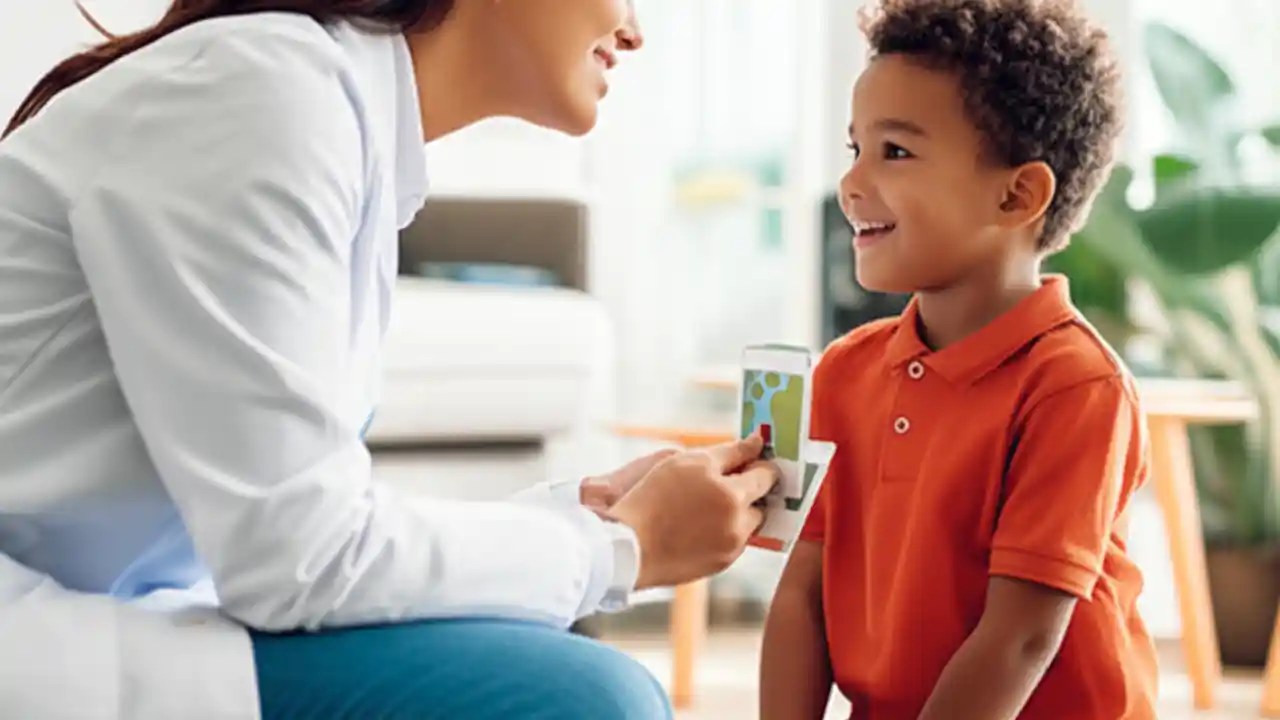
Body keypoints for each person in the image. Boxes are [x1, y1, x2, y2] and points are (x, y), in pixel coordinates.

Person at [0, 2, 779, 718]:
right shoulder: (266, 91)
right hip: (34, 631)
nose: (637, 29)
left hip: (95, 604)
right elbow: (295, 556)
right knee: (587, 701)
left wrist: (587, 516)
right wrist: (617, 550)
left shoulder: (326, 110)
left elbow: (304, 523)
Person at [760, 0, 1158, 718]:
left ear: (1017, 194)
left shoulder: (1075, 386)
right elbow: (803, 592)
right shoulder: (845, 373)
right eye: (856, 150)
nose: (852, 184)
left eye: (896, 152)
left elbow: (1021, 639)